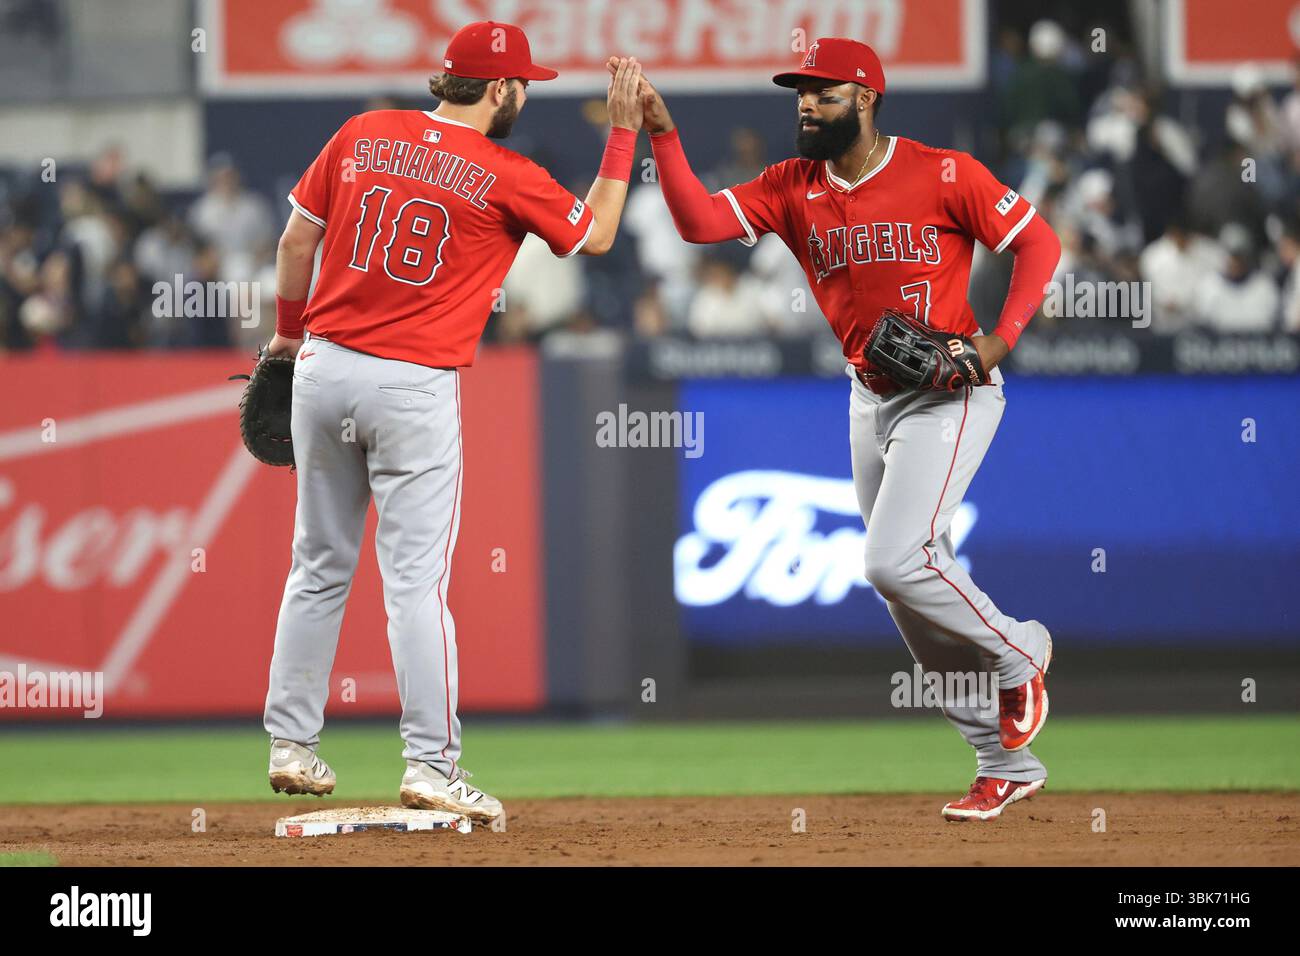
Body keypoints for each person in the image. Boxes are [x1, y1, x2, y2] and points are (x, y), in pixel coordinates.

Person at [623, 37, 1062, 821]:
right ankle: (1002, 759)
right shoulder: (792, 185)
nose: (805, 104)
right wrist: (663, 130)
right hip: (870, 397)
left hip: (951, 392)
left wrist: (998, 342)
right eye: (800, 93)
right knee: (908, 597)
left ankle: (1020, 649)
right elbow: (696, 221)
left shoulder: (943, 173)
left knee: (895, 562)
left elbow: (1037, 241)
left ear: (865, 98)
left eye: (822, 93)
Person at [262, 20, 644, 824]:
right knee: (415, 585)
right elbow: (597, 234)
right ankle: (431, 765)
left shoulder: (364, 132)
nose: (525, 94)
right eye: (522, 83)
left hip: (323, 368)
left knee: (318, 564)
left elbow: (297, 240)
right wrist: (622, 134)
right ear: (500, 88)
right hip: (410, 381)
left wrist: (287, 337)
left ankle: (291, 746)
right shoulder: (507, 170)